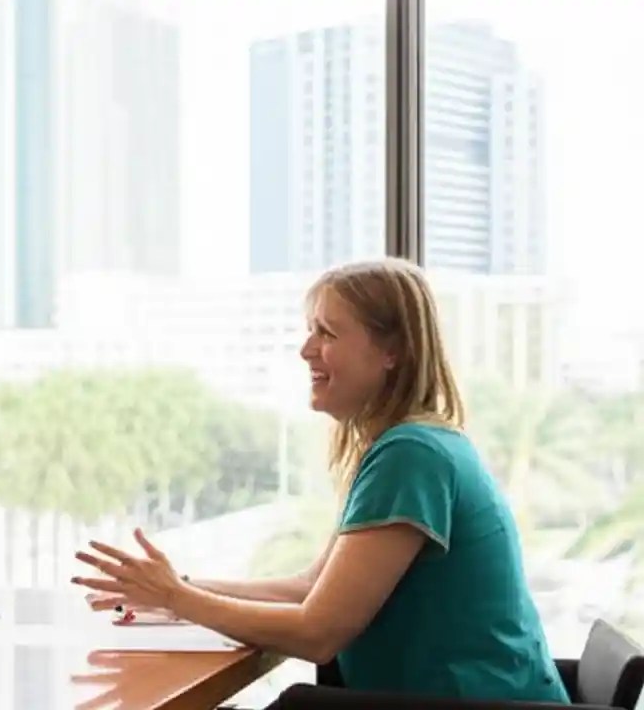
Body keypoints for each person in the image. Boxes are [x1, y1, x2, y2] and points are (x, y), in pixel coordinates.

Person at [72, 258, 569, 704]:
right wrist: (175, 590)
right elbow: (311, 589)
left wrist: (180, 600)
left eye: (328, 333)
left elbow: (318, 632)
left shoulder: (411, 455)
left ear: (392, 351)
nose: (306, 349)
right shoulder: (415, 444)